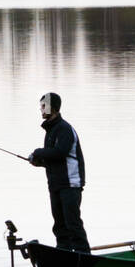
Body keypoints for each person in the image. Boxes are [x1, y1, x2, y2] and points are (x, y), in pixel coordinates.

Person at [28, 92, 90, 253]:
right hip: (55, 184)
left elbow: (60, 152)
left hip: (70, 184)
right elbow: (55, 159)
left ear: (53, 108)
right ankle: (63, 253)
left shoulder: (64, 129)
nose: (41, 109)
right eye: (41, 106)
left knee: (72, 223)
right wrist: (39, 162)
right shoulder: (50, 130)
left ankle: (83, 255)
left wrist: (37, 152)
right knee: (59, 225)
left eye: (44, 106)